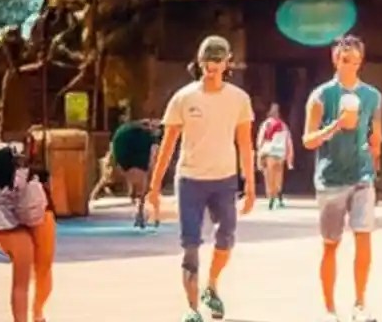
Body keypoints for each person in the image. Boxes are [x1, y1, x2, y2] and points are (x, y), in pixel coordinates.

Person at [148, 36, 257, 322]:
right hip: (191, 179)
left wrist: (251, 185)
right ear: (200, 62)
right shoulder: (184, 98)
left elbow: (245, 143)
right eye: (208, 60)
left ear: (227, 63)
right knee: (191, 244)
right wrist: (155, 185)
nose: (212, 66)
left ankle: (212, 285)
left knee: (226, 237)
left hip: (224, 179)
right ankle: (193, 307)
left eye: (218, 60)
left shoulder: (238, 99)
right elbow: (168, 143)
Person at [302, 35, 382, 322]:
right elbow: (308, 140)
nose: (350, 65)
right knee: (330, 244)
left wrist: (375, 162)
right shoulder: (321, 96)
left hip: (362, 175)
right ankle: (328, 308)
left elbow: (376, 135)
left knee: (364, 237)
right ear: (335, 59)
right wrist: (334, 127)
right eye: (345, 60)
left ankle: (360, 303)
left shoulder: (372, 96)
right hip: (330, 177)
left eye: (356, 60)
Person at [0, 143, 55, 322]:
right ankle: (35, 313)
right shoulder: (26, 179)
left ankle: (35, 313)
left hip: (9, 220)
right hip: (25, 218)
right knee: (36, 272)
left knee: (37, 271)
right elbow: (34, 213)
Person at [94, 118, 162, 227]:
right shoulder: (147, 138)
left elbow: (114, 147)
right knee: (142, 189)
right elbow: (153, 154)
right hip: (136, 162)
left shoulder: (126, 133)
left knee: (137, 186)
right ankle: (140, 210)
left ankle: (139, 210)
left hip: (125, 161)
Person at [255, 103, 294, 210]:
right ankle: (279, 195)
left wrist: (259, 153)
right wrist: (289, 158)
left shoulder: (266, 124)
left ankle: (271, 197)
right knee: (279, 175)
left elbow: (260, 140)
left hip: (269, 152)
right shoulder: (283, 125)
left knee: (269, 175)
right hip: (280, 153)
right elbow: (288, 142)